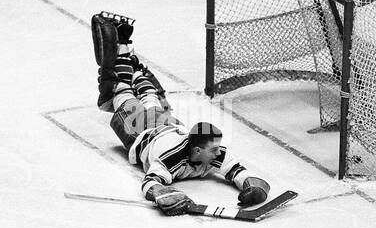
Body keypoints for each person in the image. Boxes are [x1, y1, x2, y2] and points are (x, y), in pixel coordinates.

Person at [91, 12, 270, 215]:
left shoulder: (210, 153)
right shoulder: (171, 158)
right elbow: (150, 182)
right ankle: (122, 53)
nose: (219, 153)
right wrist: (164, 194)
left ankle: (125, 49)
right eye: (213, 150)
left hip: (168, 124)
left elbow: (236, 169)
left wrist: (253, 186)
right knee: (120, 91)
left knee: (149, 93)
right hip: (141, 131)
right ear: (196, 151)